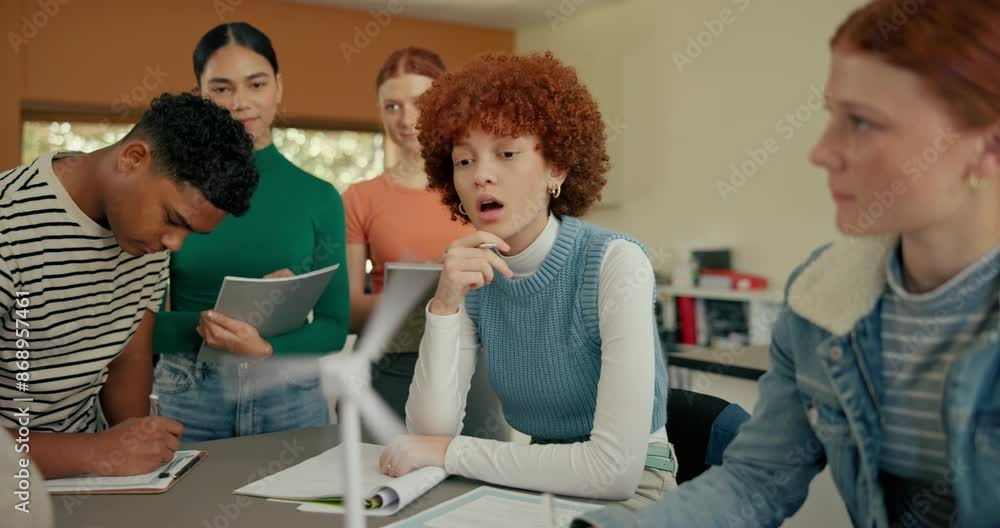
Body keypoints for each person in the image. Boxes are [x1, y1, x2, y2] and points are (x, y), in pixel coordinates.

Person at [573, 1, 1000, 526]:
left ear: (989, 145)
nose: (821, 151)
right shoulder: (824, 297)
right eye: (833, 117)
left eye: (862, 122)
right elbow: (755, 481)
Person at [377, 52, 677, 507]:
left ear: (555, 168)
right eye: (463, 161)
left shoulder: (616, 262)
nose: (482, 175)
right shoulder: (472, 272)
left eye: (507, 153)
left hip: (637, 489)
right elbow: (429, 438)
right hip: (537, 484)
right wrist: (444, 304)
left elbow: (613, 472)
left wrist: (452, 452)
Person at [0, 92, 258, 478]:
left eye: (189, 233)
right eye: (173, 219)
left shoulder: (145, 241)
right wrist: (96, 453)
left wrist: (141, 451)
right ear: (133, 159)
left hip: (87, 481)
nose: (173, 244)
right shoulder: (10, 225)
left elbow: (128, 358)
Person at [152, 22, 350, 442]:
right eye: (221, 89)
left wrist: (266, 346)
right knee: (184, 508)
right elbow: (142, 326)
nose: (240, 103)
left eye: (255, 84)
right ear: (198, 94)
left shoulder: (319, 197)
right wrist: (214, 326)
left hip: (290, 393)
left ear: (278, 86)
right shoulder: (168, 190)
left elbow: (334, 325)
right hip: (190, 394)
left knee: (297, 509)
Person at [343, 47, 473, 419]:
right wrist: (432, 290)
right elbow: (349, 311)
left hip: (470, 362)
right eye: (392, 106)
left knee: (471, 475)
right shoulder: (359, 197)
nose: (406, 118)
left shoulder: (479, 186)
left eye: (419, 102)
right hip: (390, 364)